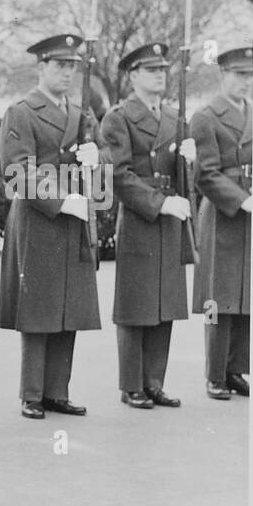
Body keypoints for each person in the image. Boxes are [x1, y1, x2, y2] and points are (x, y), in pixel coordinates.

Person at [0, 33, 102, 419]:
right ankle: (32, 393)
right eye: (59, 65)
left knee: (68, 308)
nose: (67, 73)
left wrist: (96, 157)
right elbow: (16, 171)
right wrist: (63, 201)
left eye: (72, 66)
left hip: (74, 221)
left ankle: (58, 391)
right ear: (41, 68)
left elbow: (106, 156)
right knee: (38, 309)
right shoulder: (22, 111)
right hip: (40, 220)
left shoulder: (81, 115)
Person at [98, 42, 196, 408]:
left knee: (164, 302)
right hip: (142, 216)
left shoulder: (176, 118)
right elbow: (118, 174)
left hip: (171, 215)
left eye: (163, 69)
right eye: (151, 70)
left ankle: (154, 381)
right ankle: (131, 384)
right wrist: (159, 203)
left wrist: (191, 161)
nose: (160, 75)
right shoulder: (119, 117)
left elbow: (189, 177)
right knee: (136, 303)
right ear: (133, 75)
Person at [191, 45, 252, 400]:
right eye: (239, 75)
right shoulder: (207, 116)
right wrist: (243, 200)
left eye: (250, 75)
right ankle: (215, 372)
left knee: (245, 295)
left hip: (250, 211)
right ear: (222, 75)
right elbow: (206, 174)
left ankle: (235, 368)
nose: (246, 82)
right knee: (219, 297)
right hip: (223, 212)